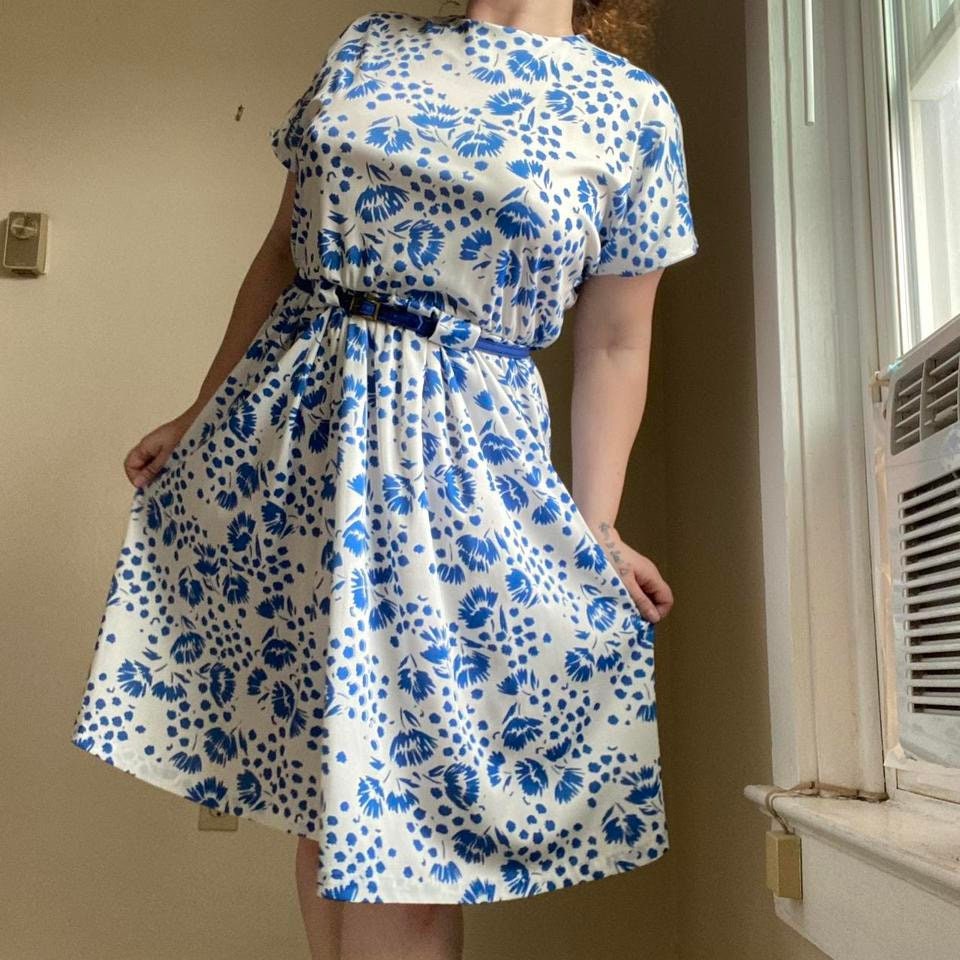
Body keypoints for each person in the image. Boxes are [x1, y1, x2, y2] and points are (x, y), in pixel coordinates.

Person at [70, 1, 699, 957]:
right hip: (302, 441)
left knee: (408, 833)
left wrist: (597, 527)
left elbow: (615, 341)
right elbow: (282, 251)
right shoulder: (367, 45)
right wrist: (205, 406)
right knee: (331, 810)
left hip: (462, 466)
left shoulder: (631, 107)